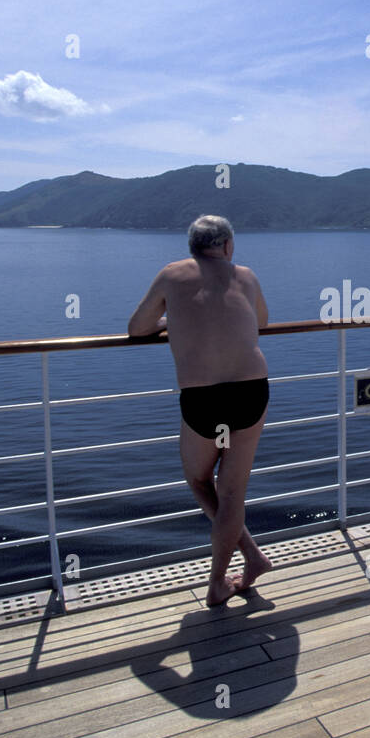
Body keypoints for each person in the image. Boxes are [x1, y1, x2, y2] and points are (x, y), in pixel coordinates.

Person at [127, 215, 273, 607]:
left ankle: (219, 583)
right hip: (250, 391)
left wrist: (172, 319)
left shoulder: (172, 274)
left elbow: (136, 327)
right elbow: (261, 322)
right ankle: (251, 559)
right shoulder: (246, 275)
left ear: (192, 247)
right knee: (232, 492)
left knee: (198, 479)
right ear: (227, 246)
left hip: (205, 399)